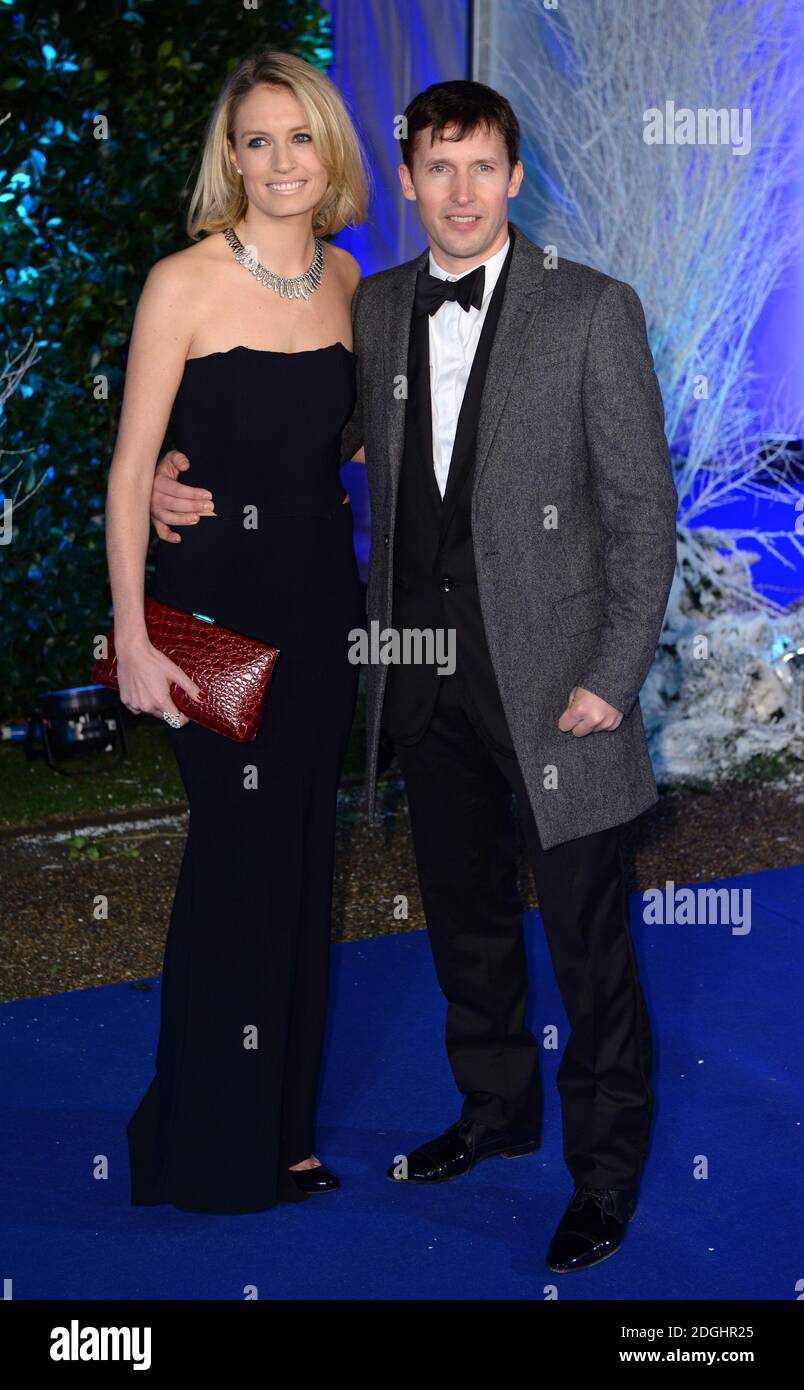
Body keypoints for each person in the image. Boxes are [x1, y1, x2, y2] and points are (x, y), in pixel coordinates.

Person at [150, 79, 678, 1270]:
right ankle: (493, 1114)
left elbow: (647, 516)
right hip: (418, 671)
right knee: (466, 920)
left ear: (514, 178)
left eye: (481, 168)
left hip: (559, 682)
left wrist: (612, 671)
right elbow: (293, 433)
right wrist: (162, 474)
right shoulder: (375, 306)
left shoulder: (594, 310)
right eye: (436, 169)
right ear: (404, 181)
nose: (459, 192)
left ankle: (604, 1176)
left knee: (590, 940)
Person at [104, 50, 367, 1214]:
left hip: (322, 616)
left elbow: (346, 446)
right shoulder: (184, 283)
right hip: (212, 624)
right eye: (255, 141)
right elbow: (123, 480)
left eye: (297, 137)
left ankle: (284, 1133)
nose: (278, 161)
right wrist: (132, 637)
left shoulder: (353, 281)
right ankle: (208, 1147)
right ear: (231, 158)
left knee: (305, 869)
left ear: (329, 152)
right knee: (235, 870)